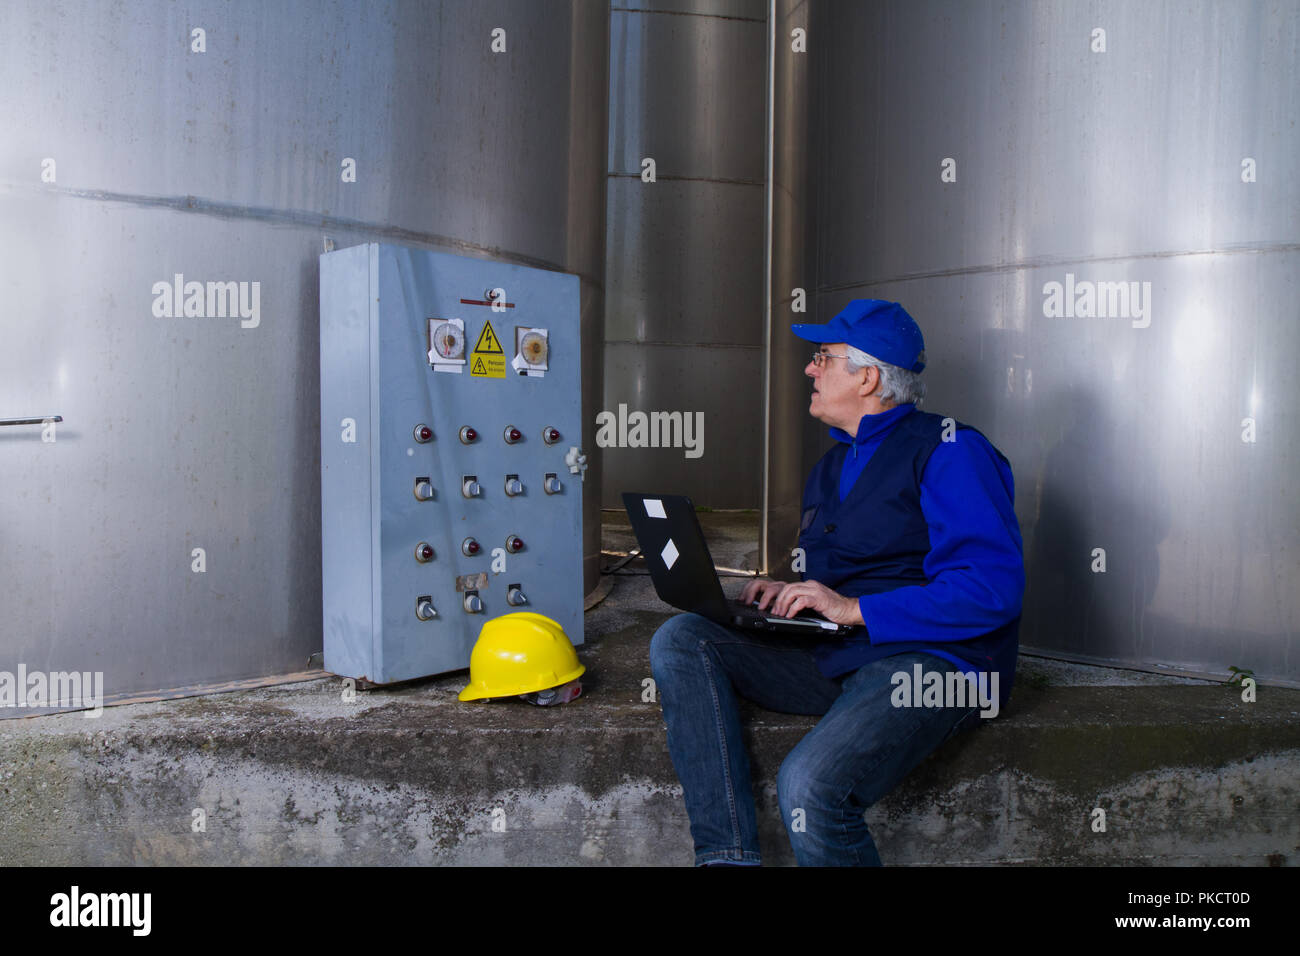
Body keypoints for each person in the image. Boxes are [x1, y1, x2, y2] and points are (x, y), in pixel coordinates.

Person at [648, 299, 1024, 866]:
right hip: (844, 652)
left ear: (868, 376)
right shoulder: (833, 464)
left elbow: (990, 589)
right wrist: (790, 591)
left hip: (936, 662)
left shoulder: (949, 451)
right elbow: (839, 570)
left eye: (823, 358)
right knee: (683, 638)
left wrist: (852, 608)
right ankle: (726, 857)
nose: (809, 369)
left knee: (810, 786)